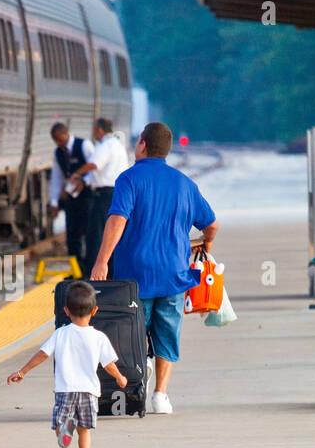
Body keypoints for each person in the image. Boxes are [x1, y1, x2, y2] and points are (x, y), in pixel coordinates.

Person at [90, 121, 218, 415]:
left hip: (136, 275)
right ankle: (161, 396)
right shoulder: (184, 183)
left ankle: (137, 381)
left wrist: (101, 261)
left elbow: (117, 221)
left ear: (143, 145)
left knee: (133, 332)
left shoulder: (129, 179)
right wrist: (206, 243)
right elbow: (211, 223)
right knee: (168, 333)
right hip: (174, 274)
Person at [6, 281, 126, 448]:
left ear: (66, 310)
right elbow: (108, 364)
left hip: (65, 390)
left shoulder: (60, 334)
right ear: (95, 310)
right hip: (89, 391)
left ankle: (64, 428)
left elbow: (42, 354)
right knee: (85, 430)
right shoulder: (99, 337)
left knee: (59, 426)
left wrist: (22, 371)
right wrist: (120, 377)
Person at [77, 118, 131, 277]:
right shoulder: (117, 145)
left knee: (97, 235)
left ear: (99, 130)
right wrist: (85, 180)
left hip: (104, 196)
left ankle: (95, 273)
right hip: (114, 193)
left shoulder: (105, 146)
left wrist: (77, 174)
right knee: (113, 235)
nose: (93, 133)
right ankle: (112, 271)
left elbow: (94, 164)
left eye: (94, 129)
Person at [48, 123, 97, 275]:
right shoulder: (58, 153)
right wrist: (54, 201)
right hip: (72, 198)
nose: (59, 143)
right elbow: (56, 178)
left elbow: (96, 168)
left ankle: (89, 270)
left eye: (60, 139)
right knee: (72, 236)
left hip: (89, 196)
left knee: (90, 234)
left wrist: (84, 181)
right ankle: (76, 271)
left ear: (66, 134)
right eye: (56, 141)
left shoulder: (84, 145)